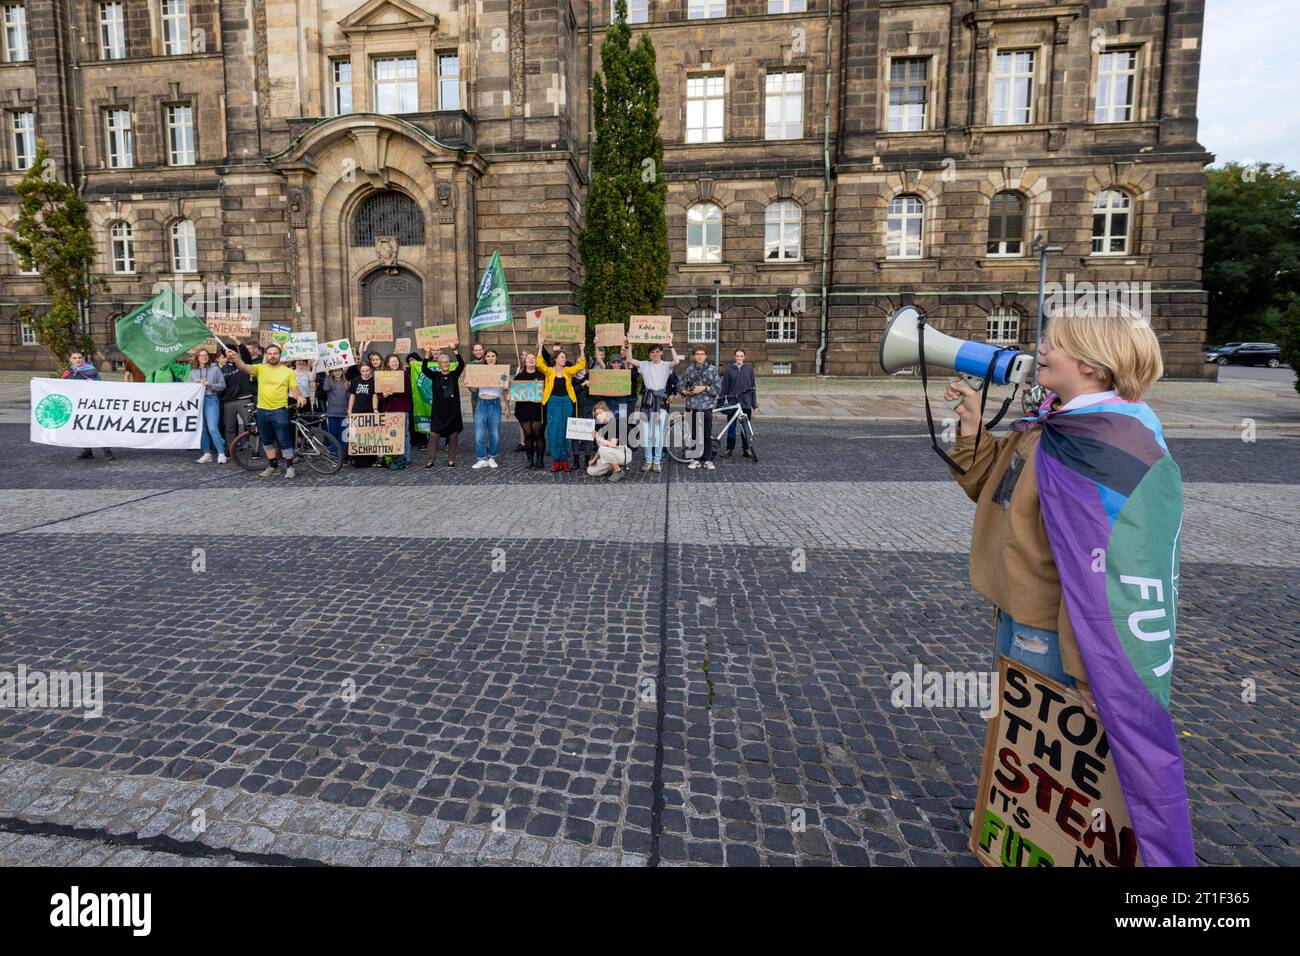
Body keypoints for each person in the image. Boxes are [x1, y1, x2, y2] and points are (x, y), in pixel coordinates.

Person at [946, 306, 1193, 867]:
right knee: (1026, 737)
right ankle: (1022, 827)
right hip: (1021, 614)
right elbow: (993, 486)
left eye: (1053, 343)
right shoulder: (1057, 427)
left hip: (1053, 633)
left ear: (1089, 362)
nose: (1042, 352)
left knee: (1050, 750)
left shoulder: (1103, 444)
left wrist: (1089, 670)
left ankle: (1053, 842)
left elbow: (1109, 579)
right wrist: (973, 426)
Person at [227, 342, 302, 478]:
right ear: (266, 355)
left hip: (280, 410)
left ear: (280, 355)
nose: (273, 356)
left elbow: (294, 390)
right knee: (266, 441)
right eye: (270, 354)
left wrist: (300, 397)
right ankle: (272, 466)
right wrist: (236, 357)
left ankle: (290, 467)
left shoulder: (288, 372)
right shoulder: (260, 368)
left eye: (275, 353)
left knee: (284, 440)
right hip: (262, 410)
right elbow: (244, 367)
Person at [621, 338, 683, 473]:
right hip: (647, 403)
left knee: (659, 433)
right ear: (649, 354)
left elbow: (676, 361)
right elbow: (630, 359)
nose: (655, 354)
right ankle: (648, 461)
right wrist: (630, 343)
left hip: (660, 403)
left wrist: (671, 343)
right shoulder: (644, 365)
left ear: (661, 352)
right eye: (652, 352)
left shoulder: (666, 365)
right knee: (646, 434)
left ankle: (657, 461)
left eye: (657, 352)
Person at [536, 332, 586, 472]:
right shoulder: (550, 371)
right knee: (553, 431)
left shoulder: (568, 371)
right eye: (562, 357)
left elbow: (581, 365)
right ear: (556, 359)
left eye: (565, 357)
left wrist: (582, 348)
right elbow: (539, 363)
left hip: (566, 403)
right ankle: (556, 460)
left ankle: (564, 461)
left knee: (565, 432)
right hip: (552, 403)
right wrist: (540, 346)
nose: (564, 359)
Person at [61, 351, 113, 461]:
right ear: (70, 359)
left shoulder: (91, 371)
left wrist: (92, 383)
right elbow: (63, 387)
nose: (77, 360)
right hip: (76, 404)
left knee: (96, 426)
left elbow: (100, 385)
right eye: (74, 358)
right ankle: (87, 451)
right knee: (81, 427)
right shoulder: (68, 372)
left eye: (80, 357)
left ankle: (107, 451)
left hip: (90, 403)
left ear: (83, 358)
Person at [420, 348, 465, 467]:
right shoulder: (435, 376)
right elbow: (424, 369)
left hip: (453, 412)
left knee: (453, 436)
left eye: (447, 362)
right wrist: (426, 354)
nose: (445, 364)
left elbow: (462, 364)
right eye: (443, 362)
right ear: (439, 364)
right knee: (433, 436)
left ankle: (451, 459)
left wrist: (455, 351)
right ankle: (430, 460)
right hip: (438, 413)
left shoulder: (454, 374)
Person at [679, 346, 721, 471]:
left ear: (706, 356)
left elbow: (718, 388)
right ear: (694, 356)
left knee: (707, 434)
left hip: (707, 406)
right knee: (694, 435)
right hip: (692, 406)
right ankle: (695, 459)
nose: (700, 356)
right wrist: (685, 392)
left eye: (702, 354)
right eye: (697, 354)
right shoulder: (689, 370)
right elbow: (681, 385)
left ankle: (707, 460)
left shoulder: (712, 370)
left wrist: (704, 388)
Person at [472, 349, 509, 469]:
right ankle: (481, 459)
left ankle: (492, 457)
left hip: (495, 403)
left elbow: (505, 390)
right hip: (482, 403)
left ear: (496, 358)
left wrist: (507, 407)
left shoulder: (502, 372)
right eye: (488, 356)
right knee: (479, 433)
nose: (491, 358)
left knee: (494, 433)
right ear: (485, 358)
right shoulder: (480, 371)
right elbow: (474, 389)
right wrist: (469, 384)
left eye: (493, 355)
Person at [189, 348, 226, 463]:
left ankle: (221, 453)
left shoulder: (215, 370)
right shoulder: (192, 372)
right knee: (202, 429)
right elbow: (188, 388)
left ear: (208, 357)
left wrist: (209, 384)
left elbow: (222, 385)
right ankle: (207, 453)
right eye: (201, 355)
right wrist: (194, 384)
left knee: (212, 428)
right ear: (197, 358)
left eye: (205, 355)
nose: (203, 357)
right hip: (198, 402)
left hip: (211, 399)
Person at [720, 348, 757, 459]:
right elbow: (724, 386)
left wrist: (753, 402)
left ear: (744, 357)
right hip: (733, 403)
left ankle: (746, 449)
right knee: (731, 427)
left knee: (744, 428)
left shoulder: (749, 369)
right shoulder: (729, 370)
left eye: (741, 356)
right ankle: (729, 448)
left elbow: (753, 387)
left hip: (745, 403)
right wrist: (721, 400)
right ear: (734, 357)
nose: (739, 358)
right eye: (737, 356)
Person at [378, 353, 413, 468]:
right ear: (388, 363)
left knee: (404, 434)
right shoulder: (383, 376)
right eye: (392, 362)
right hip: (389, 409)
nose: (394, 363)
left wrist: (397, 389)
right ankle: (391, 457)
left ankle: (406, 457)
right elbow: (379, 396)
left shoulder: (403, 374)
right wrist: (385, 394)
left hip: (402, 408)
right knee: (389, 434)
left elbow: (409, 391)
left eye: (396, 361)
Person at [513, 351, 546, 469]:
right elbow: (515, 392)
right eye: (529, 358)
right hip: (523, 410)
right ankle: (530, 459)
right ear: (525, 362)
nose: (531, 359)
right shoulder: (519, 377)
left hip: (538, 410)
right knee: (528, 435)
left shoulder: (542, 376)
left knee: (538, 434)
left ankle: (540, 460)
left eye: (533, 358)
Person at [585, 402, 630, 483]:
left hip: (623, 453)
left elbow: (612, 445)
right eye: (596, 415)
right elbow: (602, 446)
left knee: (602, 448)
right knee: (590, 470)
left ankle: (618, 470)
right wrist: (594, 459)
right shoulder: (603, 426)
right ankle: (611, 467)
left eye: (599, 413)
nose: (598, 416)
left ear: (606, 411)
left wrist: (599, 438)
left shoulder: (614, 423)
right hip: (610, 454)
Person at [347, 362, 379, 468]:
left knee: (369, 436)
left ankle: (370, 459)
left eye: (367, 370)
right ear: (360, 371)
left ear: (370, 370)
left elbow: (375, 396)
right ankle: (356, 459)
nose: (365, 373)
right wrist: (350, 411)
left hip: (368, 411)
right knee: (357, 436)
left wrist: (375, 409)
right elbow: (352, 396)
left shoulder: (374, 381)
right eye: (363, 371)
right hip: (357, 411)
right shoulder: (356, 380)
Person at [218, 347, 253, 443]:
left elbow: (246, 353)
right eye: (226, 353)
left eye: (231, 352)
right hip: (228, 402)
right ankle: (231, 448)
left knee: (251, 425)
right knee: (229, 428)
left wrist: (238, 342)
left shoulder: (243, 363)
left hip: (244, 399)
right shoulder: (222, 370)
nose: (229, 354)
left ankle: (255, 451)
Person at [321, 367, 350, 456]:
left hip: (344, 413)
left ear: (342, 371)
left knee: (343, 435)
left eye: (339, 371)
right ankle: (333, 454)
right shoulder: (330, 382)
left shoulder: (346, 383)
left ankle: (342, 455)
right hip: (332, 413)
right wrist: (327, 375)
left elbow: (349, 397)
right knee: (333, 434)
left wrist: (349, 409)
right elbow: (325, 388)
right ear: (332, 372)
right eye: (335, 371)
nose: (337, 373)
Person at [466, 342, 486, 415]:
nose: (478, 352)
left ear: (483, 351)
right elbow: (469, 384)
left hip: (490, 397)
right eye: (476, 350)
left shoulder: (489, 362)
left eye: (480, 350)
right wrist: (471, 387)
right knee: (477, 421)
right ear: (473, 352)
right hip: (475, 397)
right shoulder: (470, 365)